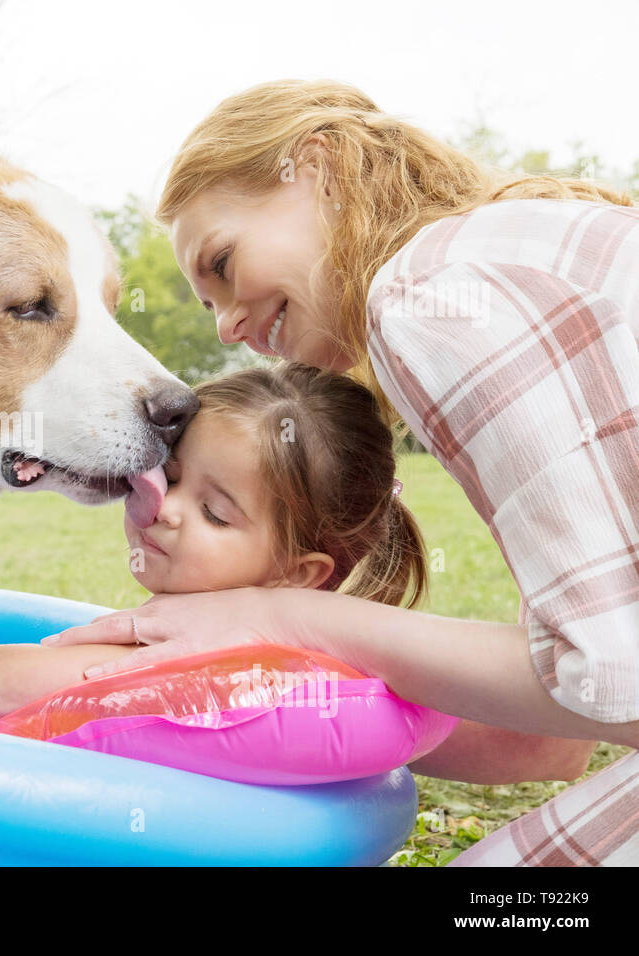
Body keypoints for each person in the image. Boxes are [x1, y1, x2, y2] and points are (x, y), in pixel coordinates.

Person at [44, 79, 639, 865]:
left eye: (223, 262)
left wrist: (286, 619)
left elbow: (609, 687)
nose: (226, 325)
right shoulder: (498, 250)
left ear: (318, 168)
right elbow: (555, 739)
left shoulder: (429, 299)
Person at [0, 363, 429, 725]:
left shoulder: (228, 661)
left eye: (215, 514)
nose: (168, 509)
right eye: (170, 477)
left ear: (298, 574)